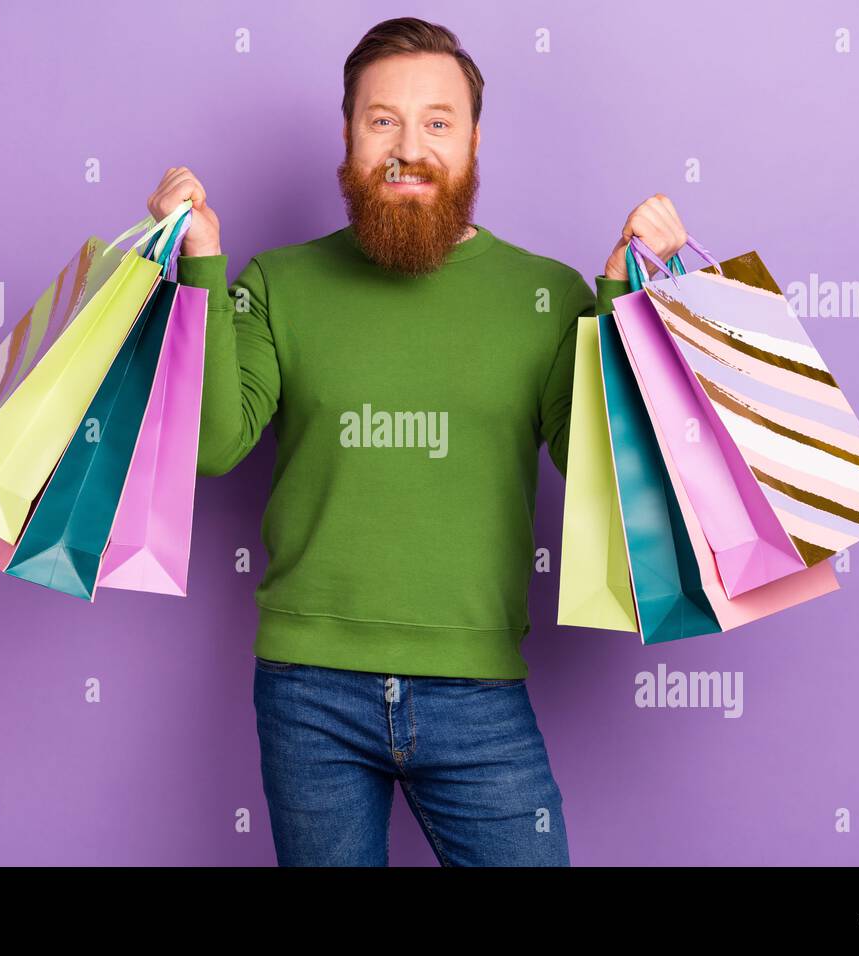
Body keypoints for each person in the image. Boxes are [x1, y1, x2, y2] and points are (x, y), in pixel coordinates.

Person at [147, 16, 691, 866]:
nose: (409, 146)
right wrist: (203, 265)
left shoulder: (545, 295)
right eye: (382, 121)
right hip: (306, 691)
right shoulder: (277, 284)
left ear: (475, 139)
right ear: (348, 136)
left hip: (477, 693)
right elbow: (214, 446)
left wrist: (628, 295)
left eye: (438, 122)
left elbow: (600, 467)